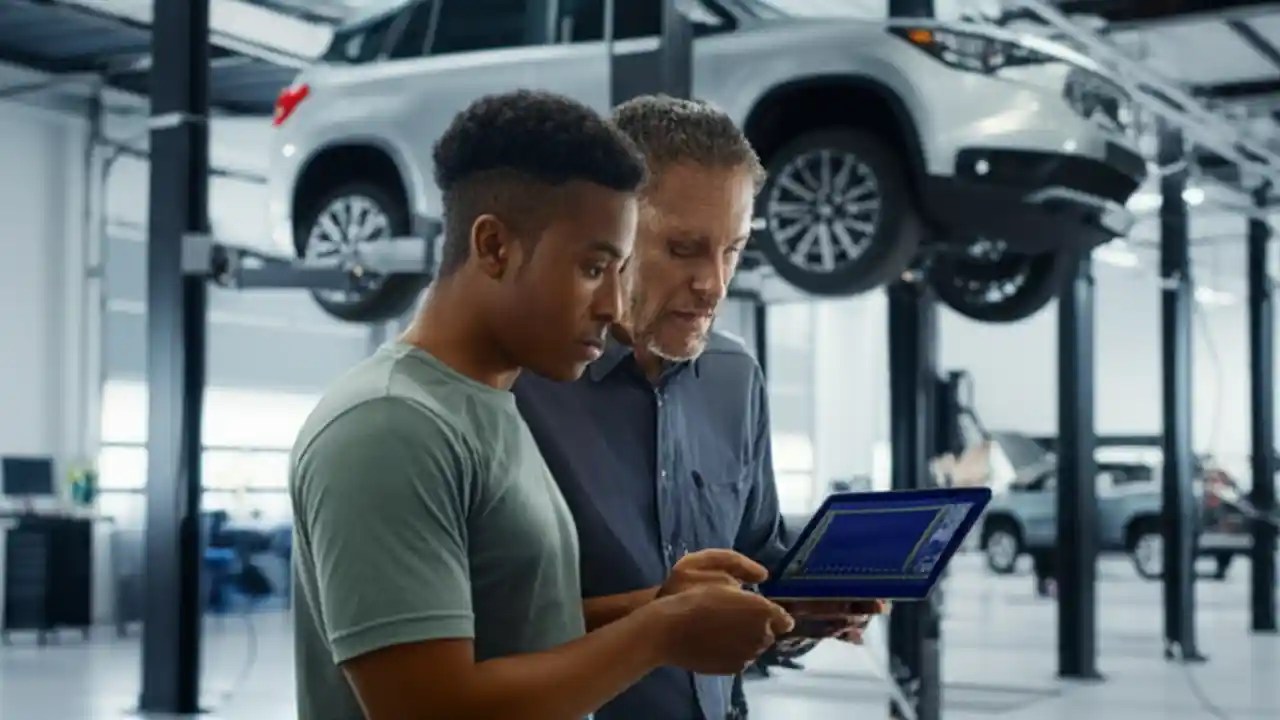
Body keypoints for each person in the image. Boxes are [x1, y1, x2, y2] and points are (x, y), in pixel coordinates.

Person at [287, 90, 796, 720]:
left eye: (619, 270)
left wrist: (661, 605)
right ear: (495, 248)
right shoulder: (387, 426)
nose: (612, 307)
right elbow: (428, 708)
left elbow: (524, 629)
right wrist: (660, 632)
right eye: (593, 269)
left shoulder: (487, 407)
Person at [513, 94, 884, 720]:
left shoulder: (735, 378)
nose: (714, 282)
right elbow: (474, 631)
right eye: (684, 249)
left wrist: (800, 615)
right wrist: (664, 614)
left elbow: (756, 572)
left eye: (733, 249)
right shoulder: (518, 384)